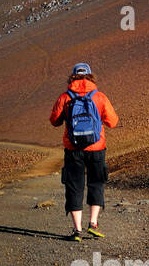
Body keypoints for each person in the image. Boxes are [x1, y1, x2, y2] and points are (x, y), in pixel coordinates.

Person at [49, 62, 119, 241]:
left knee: (75, 186)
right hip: (96, 148)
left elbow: (54, 121)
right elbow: (113, 121)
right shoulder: (99, 96)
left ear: (72, 77)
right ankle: (93, 223)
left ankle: (77, 230)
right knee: (96, 183)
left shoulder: (65, 97)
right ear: (90, 76)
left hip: (73, 149)